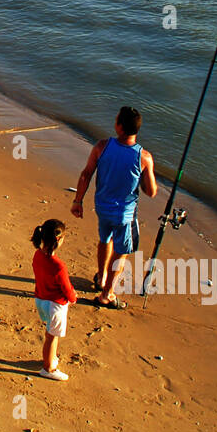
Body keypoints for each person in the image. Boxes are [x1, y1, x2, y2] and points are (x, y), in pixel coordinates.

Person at [70, 106, 158, 309]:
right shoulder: (144, 157)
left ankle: (102, 277)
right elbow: (151, 191)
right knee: (122, 251)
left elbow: (86, 174)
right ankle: (106, 294)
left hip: (102, 208)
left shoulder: (102, 146)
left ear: (119, 126)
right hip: (125, 215)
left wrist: (78, 201)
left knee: (105, 240)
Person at [31, 219, 76, 380]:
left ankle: (51, 358)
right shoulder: (58, 266)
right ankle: (48, 368)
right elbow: (66, 287)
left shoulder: (38, 255)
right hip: (55, 305)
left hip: (41, 299)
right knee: (52, 335)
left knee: (50, 331)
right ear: (59, 240)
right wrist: (73, 297)